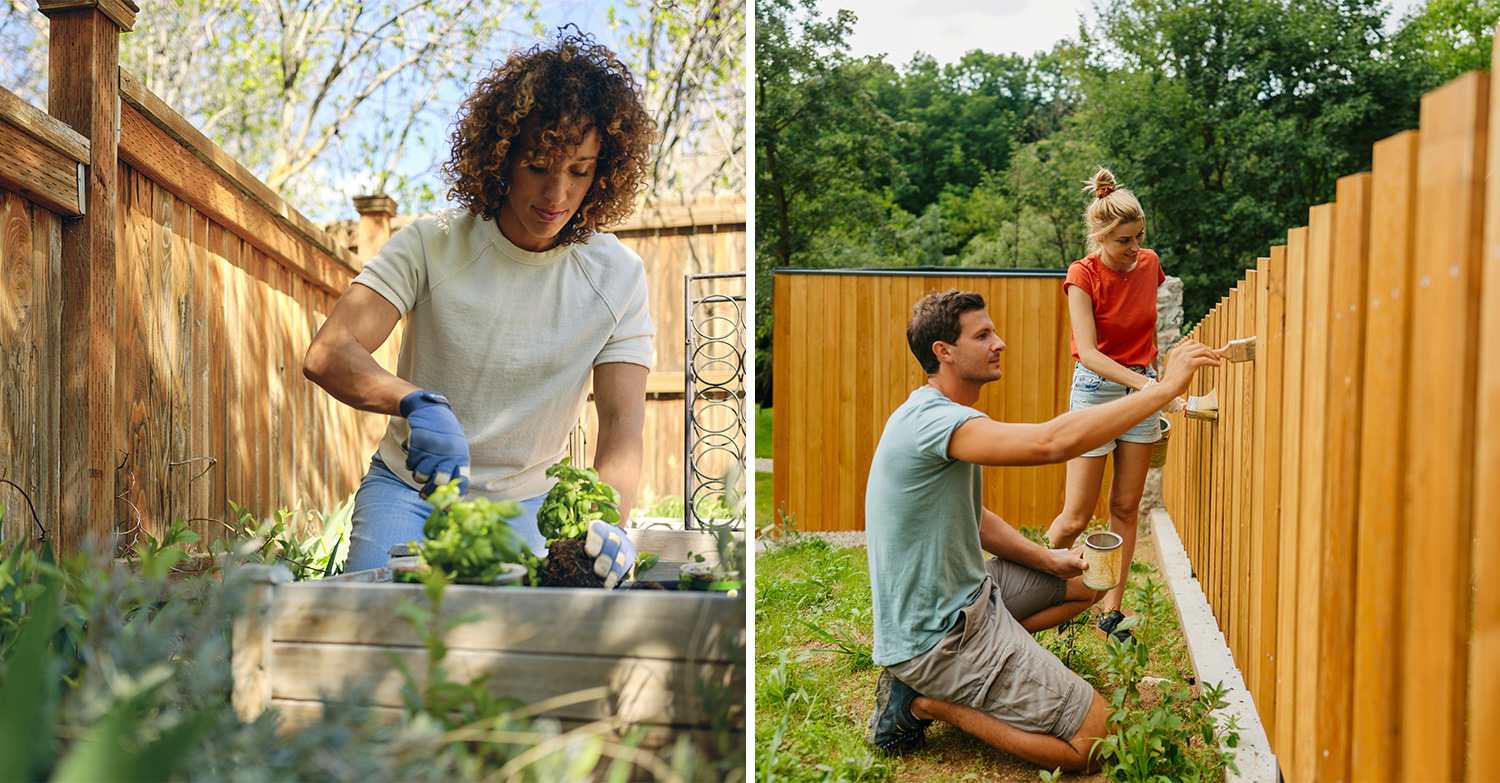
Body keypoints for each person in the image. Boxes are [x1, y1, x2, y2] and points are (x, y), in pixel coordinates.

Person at [302, 29, 658, 584]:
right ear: (502, 156)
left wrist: (607, 520)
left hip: (527, 511)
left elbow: (620, 425)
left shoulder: (618, 278)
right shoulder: (432, 243)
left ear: (603, 171)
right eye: (538, 165)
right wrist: (414, 402)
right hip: (408, 494)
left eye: (579, 171)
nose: (557, 194)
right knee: (376, 647)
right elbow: (328, 353)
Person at [864, 289, 1217, 770]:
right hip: (939, 637)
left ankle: (993, 665)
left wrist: (1047, 559)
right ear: (943, 352)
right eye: (982, 335)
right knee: (1100, 739)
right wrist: (1162, 389)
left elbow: (976, 516)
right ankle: (922, 701)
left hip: (974, 598)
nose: (1000, 342)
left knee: (1089, 580)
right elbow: (1052, 443)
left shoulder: (939, 414)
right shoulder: (931, 423)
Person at [1044, 167, 1181, 643]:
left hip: (1142, 387)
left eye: (1139, 236)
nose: (1134, 247)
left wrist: (1152, 379)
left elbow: (1144, 329)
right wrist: (1151, 391)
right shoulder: (1082, 274)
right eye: (1124, 239)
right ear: (1100, 236)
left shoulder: (1149, 264)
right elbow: (1091, 352)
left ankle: (1111, 614)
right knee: (1077, 515)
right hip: (1097, 393)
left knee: (1125, 507)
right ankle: (1032, 589)